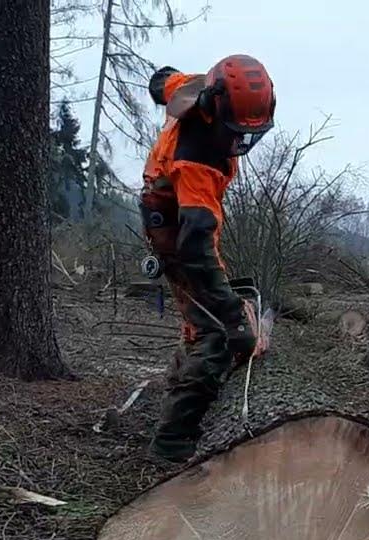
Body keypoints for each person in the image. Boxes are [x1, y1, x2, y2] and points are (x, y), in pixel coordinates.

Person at [140, 54, 276, 462]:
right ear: (217, 110)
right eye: (236, 133)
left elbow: (160, 80)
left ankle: (179, 394)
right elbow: (196, 247)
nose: (240, 144)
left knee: (204, 318)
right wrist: (235, 318)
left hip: (184, 217)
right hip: (177, 228)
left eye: (249, 135)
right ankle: (171, 442)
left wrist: (174, 84)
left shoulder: (196, 90)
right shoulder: (200, 156)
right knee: (216, 333)